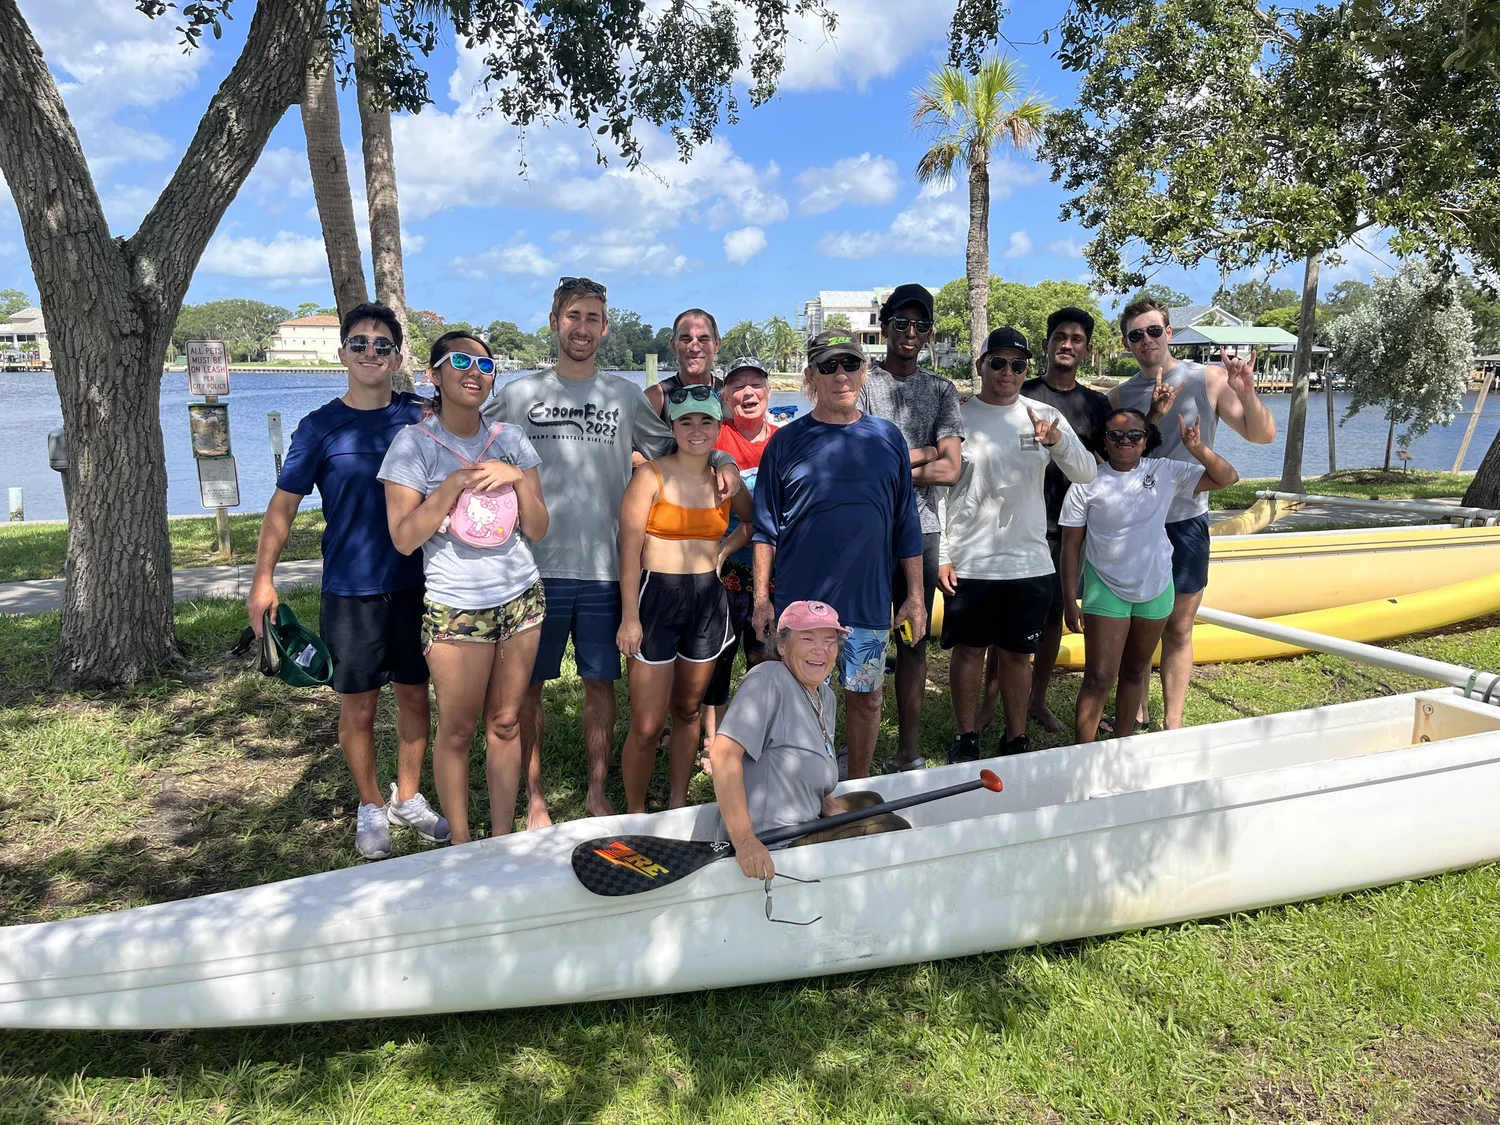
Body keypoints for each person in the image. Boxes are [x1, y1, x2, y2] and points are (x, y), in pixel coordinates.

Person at [484, 278, 737, 826]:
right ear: (554, 322)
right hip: (533, 568)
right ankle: (534, 796)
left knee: (601, 684)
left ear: (605, 326)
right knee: (529, 688)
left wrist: (724, 462)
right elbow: (468, 434)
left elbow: (683, 442)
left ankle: (599, 790)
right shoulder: (520, 395)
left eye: (593, 317)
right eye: (573, 315)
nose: (583, 327)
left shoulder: (622, 396)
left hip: (605, 569)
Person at [247, 302, 448, 861]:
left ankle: (408, 797)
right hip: (350, 587)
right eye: (359, 344)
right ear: (342, 354)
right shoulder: (318, 427)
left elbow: (478, 424)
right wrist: (263, 579)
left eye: (382, 345)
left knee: (415, 696)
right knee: (357, 706)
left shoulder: (421, 416)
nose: (370, 353)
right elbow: (282, 507)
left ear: (397, 356)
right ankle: (368, 804)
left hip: (420, 583)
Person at [379, 331, 549, 844]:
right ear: (433, 375)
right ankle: (461, 845)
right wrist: (451, 485)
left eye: (485, 364)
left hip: (521, 600)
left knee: (505, 723)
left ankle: (499, 840)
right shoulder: (413, 445)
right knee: (456, 731)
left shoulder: (511, 439)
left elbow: (539, 528)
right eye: (460, 361)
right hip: (456, 609)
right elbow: (404, 538)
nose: (474, 371)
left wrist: (515, 477)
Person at [752, 329, 926, 782]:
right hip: (803, 607)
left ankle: (855, 790)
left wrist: (915, 597)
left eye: (850, 364)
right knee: (803, 703)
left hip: (868, 603)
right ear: (811, 378)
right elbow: (765, 530)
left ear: (864, 371)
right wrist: (760, 599)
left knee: (866, 699)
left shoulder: (888, 439)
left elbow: (907, 523)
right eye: (828, 367)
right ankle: (805, 791)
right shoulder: (785, 444)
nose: (841, 375)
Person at [1111, 296, 1275, 729]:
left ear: (1169, 332)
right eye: (1135, 335)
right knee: (1136, 624)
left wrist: (1247, 392)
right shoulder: (1119, 394)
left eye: (1153, 330)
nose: (1145, 340)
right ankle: (1136, 711)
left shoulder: (1210, 379)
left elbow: (1262, 436)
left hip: (1185, 521)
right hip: (1136, 525)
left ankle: (1173, 723)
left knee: (1178, 628)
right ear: (1127, 343)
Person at [939, 327, 1095, 761]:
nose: (1007, 372)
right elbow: (939, 493)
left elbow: (1086, 473)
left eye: (1018, 365)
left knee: (1017, 656)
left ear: (1027, 370)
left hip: (1029, 561)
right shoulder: (955, 417)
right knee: (969, 652)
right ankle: (967, 735)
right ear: (980, 365)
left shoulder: (1044, 416)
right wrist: (942, 554)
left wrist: (1058, 441)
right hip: (970, 561)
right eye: (998, 362)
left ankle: (1015, 736)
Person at [1059, 409, 1239, 745]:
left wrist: (1197, 447)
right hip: (1106, 588)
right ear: (1103, 440)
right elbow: (1070, 547)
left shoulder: (1166, 471)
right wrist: (1070, 599)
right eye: (1115, 435)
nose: (1125, 441)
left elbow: (1227, 477)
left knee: (1134, 671)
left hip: (1156, 586)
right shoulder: (1087, 483)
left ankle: (1123, 748)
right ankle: (1081, 754)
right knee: (1099, 677)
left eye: (1134, 435)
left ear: (1147, 440)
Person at [617, 388, 754, 812]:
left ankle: (677, 803)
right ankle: (636, 813)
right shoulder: (650, 476)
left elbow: (751, 521)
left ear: (718, 427)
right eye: (686, 422)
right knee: (646, 724)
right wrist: (629, 617)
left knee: (689, 710)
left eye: (706, 422)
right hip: (655, 595)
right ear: (673, 427)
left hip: (707, 600)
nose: (696, 430)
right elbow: (627, 551)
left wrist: (724, 550)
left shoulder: (724, 480)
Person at [710, 601, 910, 882]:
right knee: (889, 826)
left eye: (830, 641)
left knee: (870, 801)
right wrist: (745, 842)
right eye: (807, 639)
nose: (820, 650)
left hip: (804, 823)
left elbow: (808, 758)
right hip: (774, 842)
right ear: (781, 646)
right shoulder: (768, 680)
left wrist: (827, 803)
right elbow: (722, 756)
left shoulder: (823, 697)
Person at [856, 283, 963, 773]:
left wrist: (892, 462)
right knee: (862, 640)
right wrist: (920, 454)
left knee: (913, 640)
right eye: (902, 323)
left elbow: (952, 469)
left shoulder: (941, 390)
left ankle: (908, 751)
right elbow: (857, 463)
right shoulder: (859, 383)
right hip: (866, 533)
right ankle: (860, 749)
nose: (911, 333)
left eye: (921, 325)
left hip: (922, 531)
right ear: (885, 326)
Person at [1007, 306, 1114, 734]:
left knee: (1053, 617)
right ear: (1048, 343)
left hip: (1067, 528)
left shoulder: (1095, 404)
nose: (1067, 344)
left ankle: (1036, 699)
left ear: (1085, 349)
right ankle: (990, 701)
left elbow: (1108, 459)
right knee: (1009, 620)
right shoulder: (1021, 394)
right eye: (1060, 337)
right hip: (1019, 521)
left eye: (1076, 339)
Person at [702, 357, 779, 774]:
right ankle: (714, 744)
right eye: (738, 387)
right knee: (718, 657)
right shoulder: (716, 438)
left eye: (756, 385)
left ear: (767, 392)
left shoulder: (785, 440)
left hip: (772, 568)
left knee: (765, 657)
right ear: (725, 396)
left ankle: (762, 737)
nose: (747, 394)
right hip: (724, 570)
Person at [645, 309, 725, 421]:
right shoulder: (655, 398)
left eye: (704, 339)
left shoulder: (730, 396)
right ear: (673, 345)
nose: (695, 348)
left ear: (717, 344)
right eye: (686, 339)